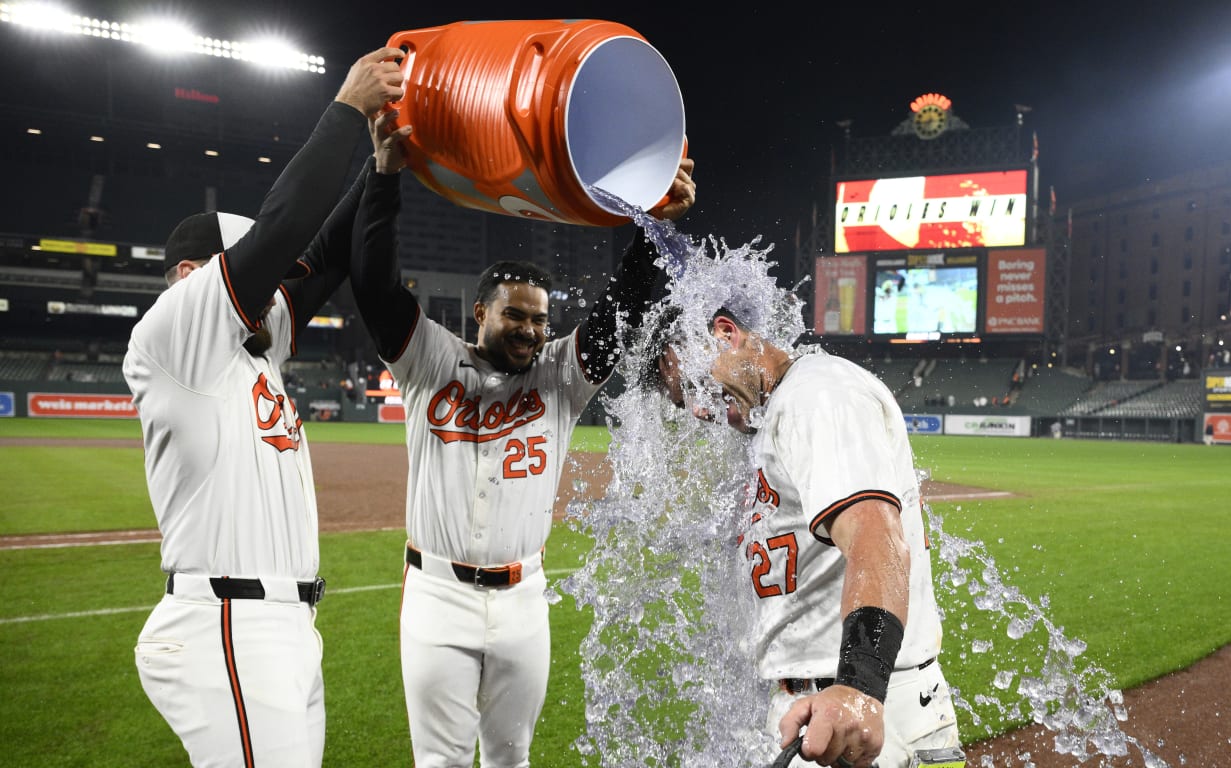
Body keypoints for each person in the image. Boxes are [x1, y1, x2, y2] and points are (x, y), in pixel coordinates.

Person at [349, 106, 696, 767]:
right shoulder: (427, 359)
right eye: (515, 315)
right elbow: (373, 282)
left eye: (539, 320)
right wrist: (385, 174)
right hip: (438, 598)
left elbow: (622, 305)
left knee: (512, 759)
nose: (531, 330)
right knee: (441, 762)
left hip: (522, 602)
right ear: (480, 312)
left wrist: (658, 222)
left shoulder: (561, 376)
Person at [123, 48, 404, 767]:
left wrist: (383, 165)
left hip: (278, 624)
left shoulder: (252, 344)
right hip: (227, 621)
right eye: (247, 260)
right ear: (193, 275)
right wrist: (347, 107)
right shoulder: (175, 330)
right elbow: (287, 226)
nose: (272, 277)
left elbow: (324, 254)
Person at [654, 308, 964, 768]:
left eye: (698, 387)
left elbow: (876, 539)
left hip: (857, 714)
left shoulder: (816, 394)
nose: (702, 409)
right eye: (688, 404)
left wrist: (860, 686)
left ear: (725, 334)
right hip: (834, 707)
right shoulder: (783, 409)